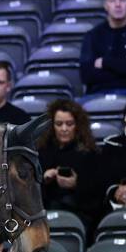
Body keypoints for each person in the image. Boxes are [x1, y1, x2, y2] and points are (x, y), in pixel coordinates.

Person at [37, 98, 101, 229]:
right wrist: (43, 179)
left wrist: (76, 184)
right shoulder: (41, 152)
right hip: (45, 211)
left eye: (69, 123)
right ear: (52, 126)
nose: (64, 128)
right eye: (59, 124)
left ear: (77, 125)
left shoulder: (89, 153)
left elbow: (97, 195)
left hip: (79, 213)